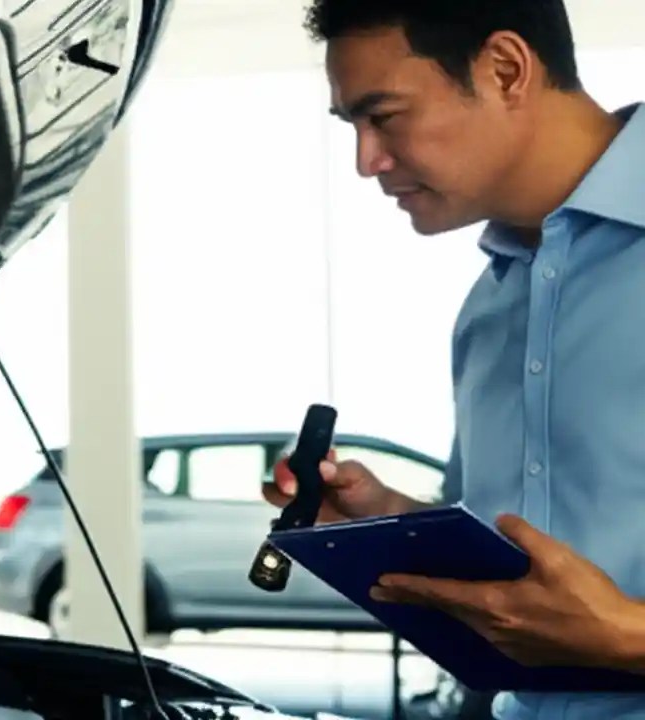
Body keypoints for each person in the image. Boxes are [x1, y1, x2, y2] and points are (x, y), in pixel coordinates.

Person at [264, 1, 645, 718]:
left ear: (505, 69)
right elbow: (522, 579)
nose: (365, 162)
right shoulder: (489, 310)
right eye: (352, 126)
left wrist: (628, 636)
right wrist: (388, 521)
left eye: (384, 116)